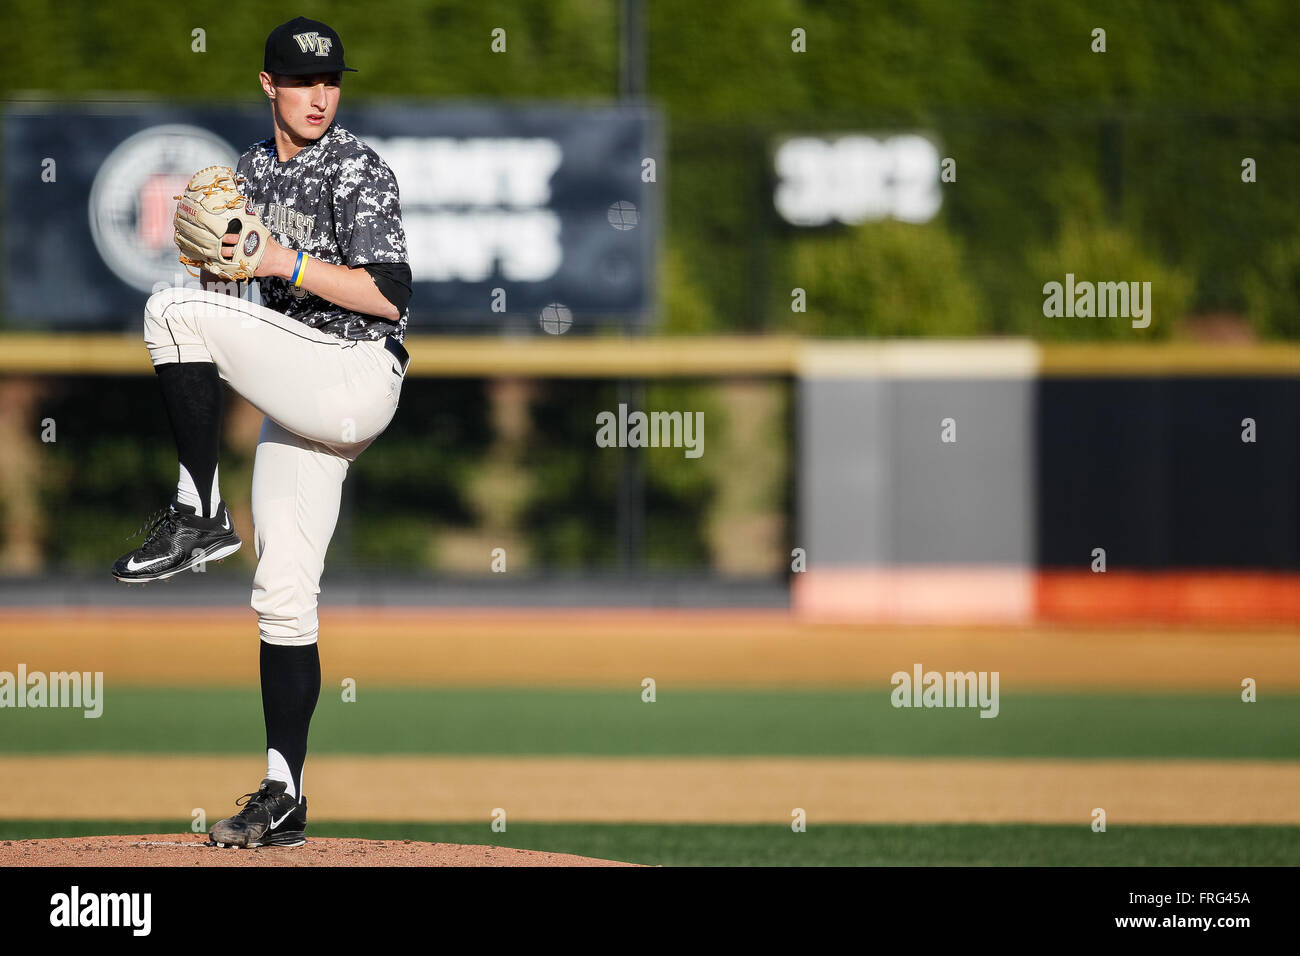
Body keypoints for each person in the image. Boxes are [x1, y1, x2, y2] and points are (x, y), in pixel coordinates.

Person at [111, 15, 412, 848]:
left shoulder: (356, 166)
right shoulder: (245, 170)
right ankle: (285, 795)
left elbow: (391, 295)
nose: (320, 95)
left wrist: (280, 261)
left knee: (167, 311)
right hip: (303, 395)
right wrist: (217, 268)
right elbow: (235, 294)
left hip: (355, 373)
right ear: (268, 85)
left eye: (332, 81)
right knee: (283, 596)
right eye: (303, 80)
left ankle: (198, 514)